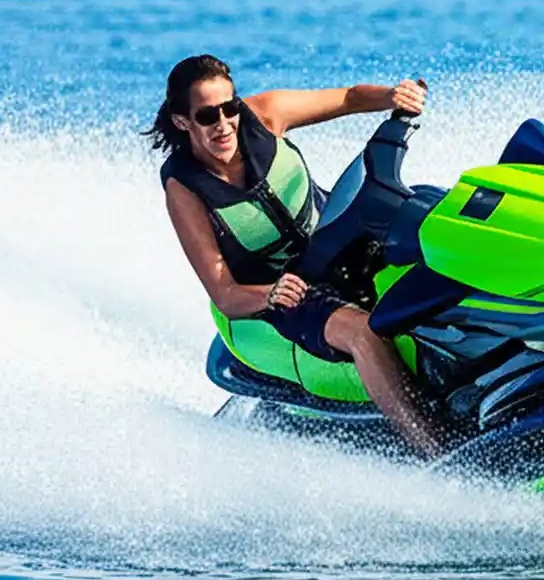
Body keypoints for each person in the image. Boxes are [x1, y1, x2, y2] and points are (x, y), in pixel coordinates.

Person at [143, 54, 444, 458]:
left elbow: (350, 98)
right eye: (207, 116)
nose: (224, 124)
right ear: (183, 122)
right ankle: (434, 451)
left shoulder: (266, 114)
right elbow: (224, 292)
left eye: (230, 108)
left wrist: (393, 96)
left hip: (341, 241)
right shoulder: (185, 190)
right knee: (364, 333)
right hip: (288, 291)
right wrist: (271, 294)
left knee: (429, 224)